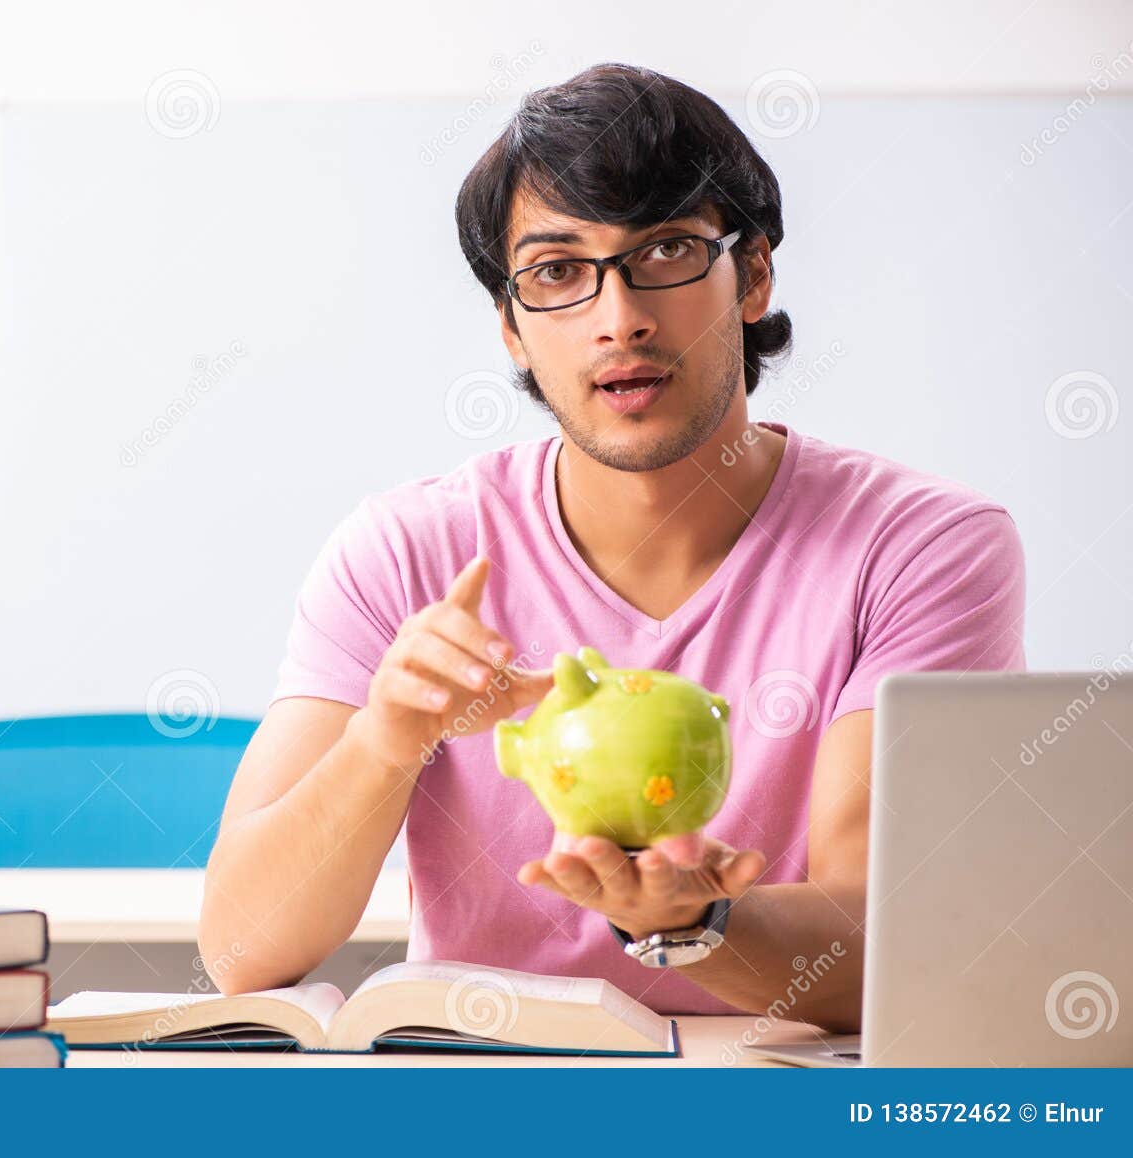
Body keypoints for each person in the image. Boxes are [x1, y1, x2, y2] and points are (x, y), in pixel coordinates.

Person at [197, 63, 1025, 1033]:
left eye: (667, 251)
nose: (618, 317)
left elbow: (895, 935)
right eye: (557, 272)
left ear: (752, 274)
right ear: (510, 325)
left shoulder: (920, 548)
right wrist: (390, 736)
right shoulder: (406, 551)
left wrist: (696, 922)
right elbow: (243, 949)